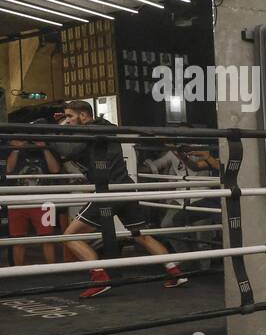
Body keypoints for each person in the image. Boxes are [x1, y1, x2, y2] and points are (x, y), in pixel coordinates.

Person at [50, 100, 188, 298]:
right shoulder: (102, 128)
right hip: (124, 187)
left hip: (109, 191)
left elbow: (66, 151)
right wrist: (63, 127)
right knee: (141, 235)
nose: (68, 121)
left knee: (69, 236)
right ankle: (175, 272)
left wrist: (54, 130)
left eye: (71, 116)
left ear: (84, 116)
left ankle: (99, 278)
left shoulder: (91, 131)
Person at [4, 123, 62, 267]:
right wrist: (17, 148)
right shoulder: (14, 151)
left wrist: (43, 147)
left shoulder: (47, 149)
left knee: (47, 238)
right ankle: (19, 272)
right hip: (17, 201)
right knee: (18, 239)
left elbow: (55, 170)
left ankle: (52, 269)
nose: (29, 139)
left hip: (43, 201)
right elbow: (9, 170)